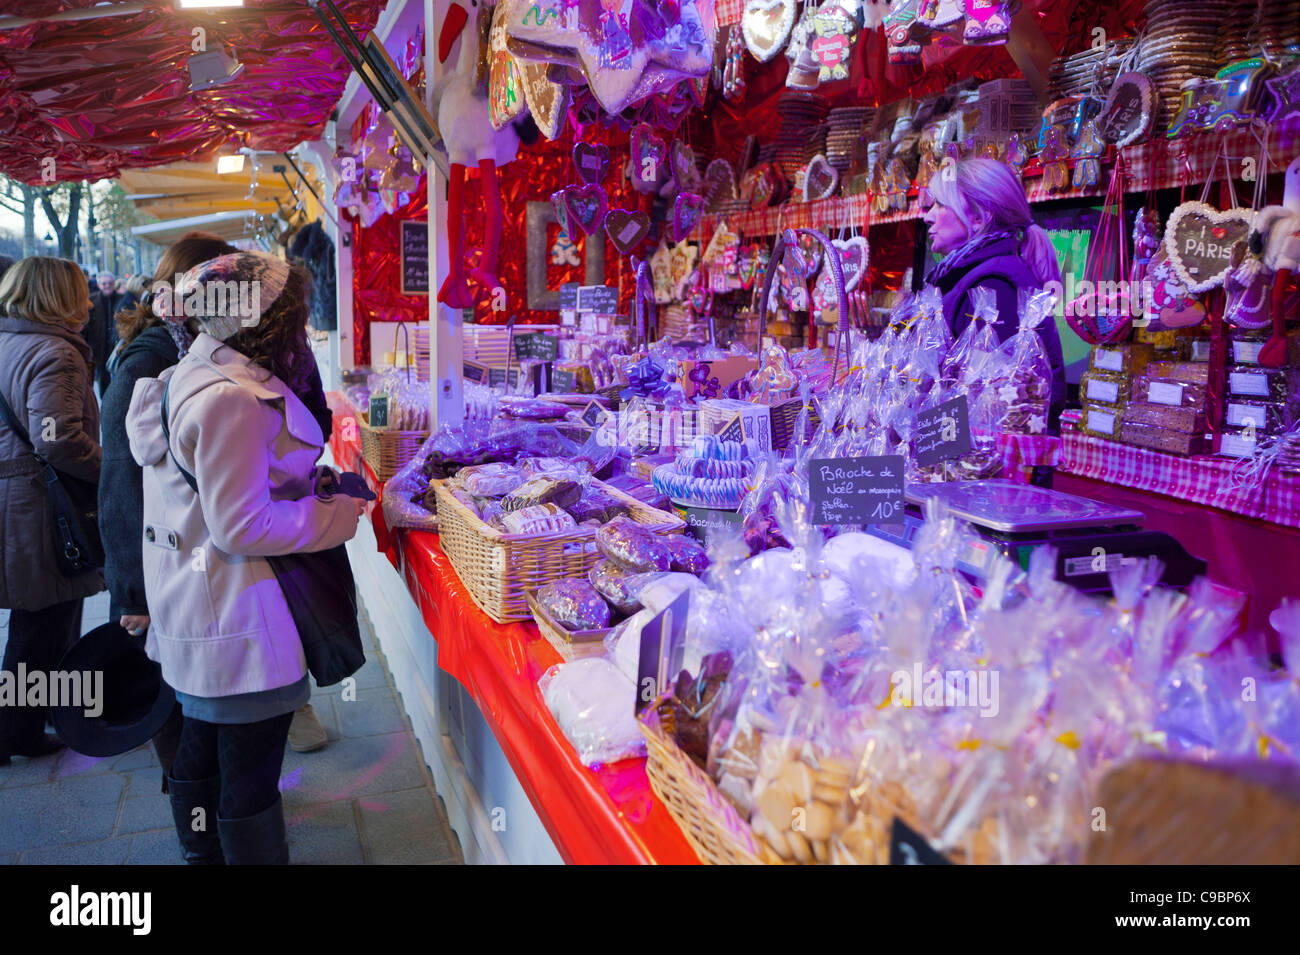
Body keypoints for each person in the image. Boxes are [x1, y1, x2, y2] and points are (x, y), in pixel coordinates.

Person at [126, 252, 364, 864]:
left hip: (201, 604)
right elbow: (240, 524)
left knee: (206, 746)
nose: (303, 333)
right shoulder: (229, 399)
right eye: (295, 320)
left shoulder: (193, 373)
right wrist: (336, 514)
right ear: (264, 324)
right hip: (235, 613)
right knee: (251, 773)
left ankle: (201, 853)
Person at [99, 233, 237, 792]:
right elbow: (121, 478)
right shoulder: (153, 355)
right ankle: (200, 839)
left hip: (187, 561)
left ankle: (215, 822)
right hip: (156, 572)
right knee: (176, 717)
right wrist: (131, 592)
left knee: (200, 714)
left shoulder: (192, 346)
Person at [0, 256, 105, 765]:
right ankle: (17, 731)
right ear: (56, 299)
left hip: (15, 502)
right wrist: (112, 477)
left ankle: (36, 716)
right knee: (44, 620)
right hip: (39, 510)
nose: (88, 303)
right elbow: (59, 440)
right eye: (80, 293)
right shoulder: (53, 353)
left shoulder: (9, 341)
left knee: (35, 617)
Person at [923, 156, 1067, 432]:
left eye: (940, 204)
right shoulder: (975, 275)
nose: (927, 216)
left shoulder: (994, 285)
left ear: (978, 217)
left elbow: (990, 408)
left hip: (993, 472)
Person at [85, 270, 123, 394]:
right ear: (99, 285)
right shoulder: (91, 300)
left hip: (115, 344)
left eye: (110, 283)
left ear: (114, 283)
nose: (107, 286)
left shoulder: (121, 299)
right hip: (98, 344)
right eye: (104, 283)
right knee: (102, 377)